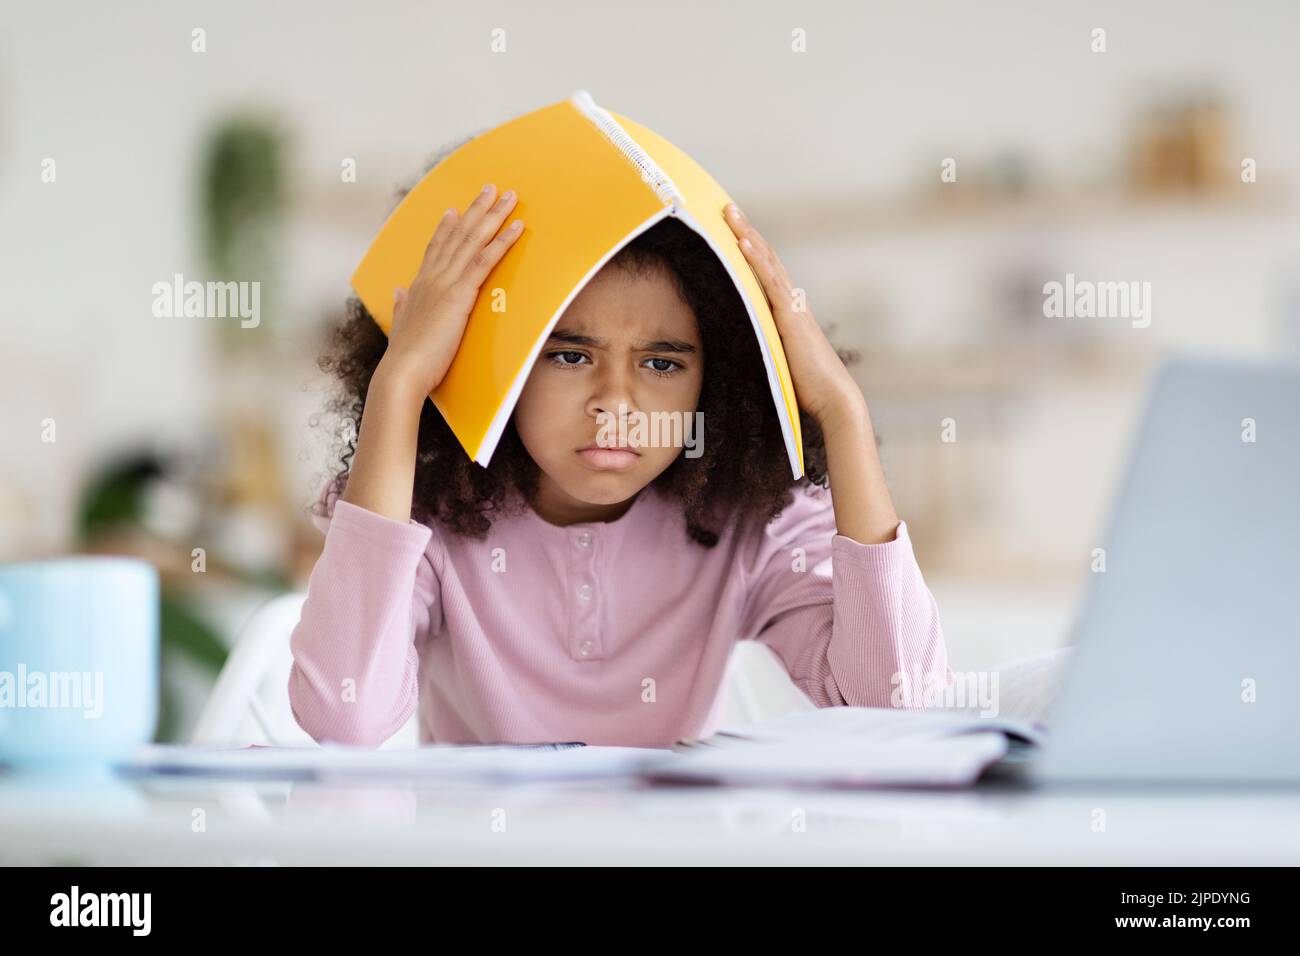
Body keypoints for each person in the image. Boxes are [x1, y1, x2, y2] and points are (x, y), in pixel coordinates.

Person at [288, 174, 953, 748]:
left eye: (661, 364)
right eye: (570, 356)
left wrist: (841, 408)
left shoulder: (754, 523)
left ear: (714, 385)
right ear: (501, 361)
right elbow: (344, 720)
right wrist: (400, 385)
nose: (615, 405)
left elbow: (898, 707)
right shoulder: (424, 518)